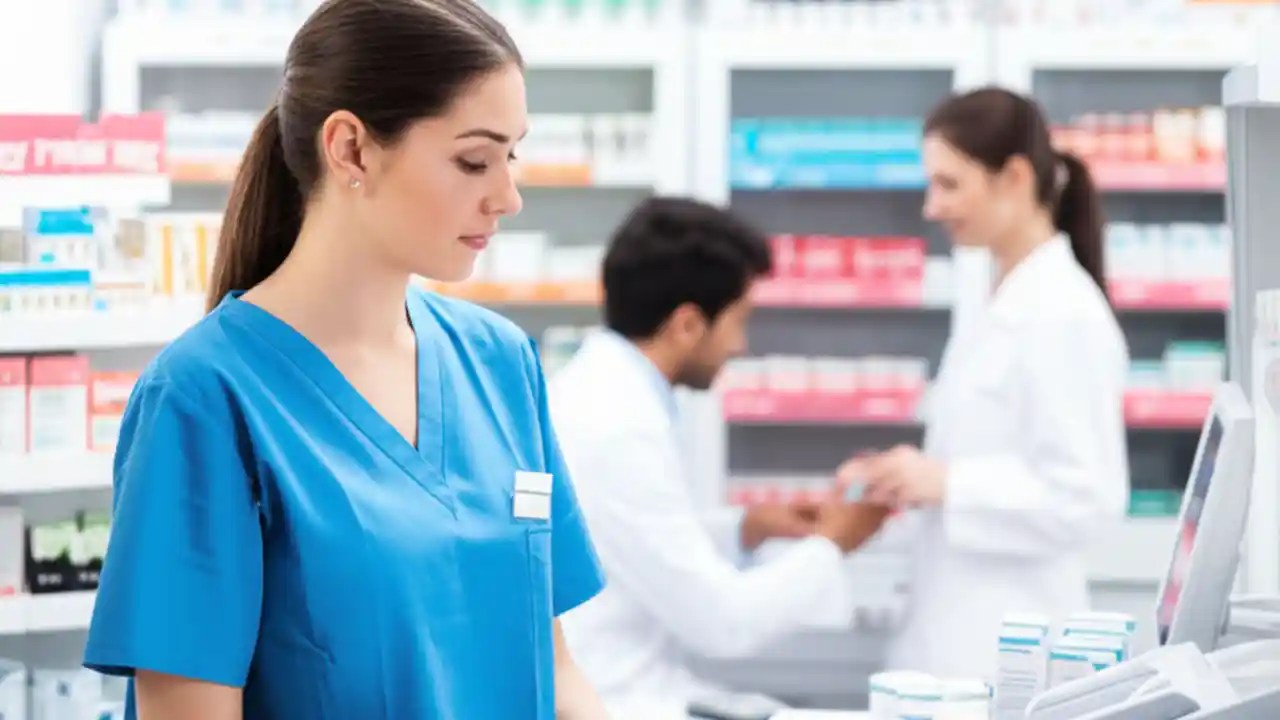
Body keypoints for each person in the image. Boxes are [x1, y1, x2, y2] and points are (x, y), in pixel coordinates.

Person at [81, 2, 610, 718]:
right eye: (473, 160)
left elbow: (554, 669)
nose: (508, 196)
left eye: (510, 156)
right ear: (352, 149)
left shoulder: (501, 364)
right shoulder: (205, 398)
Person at [549, 196, 892, 709]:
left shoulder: (607, 393)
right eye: (739, 320)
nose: (741, 346)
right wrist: (834, 543)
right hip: (613, 698)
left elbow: (626, 542)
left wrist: (746, 527)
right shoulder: (617, 425)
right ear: (687, 325)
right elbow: (722, 623)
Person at [840, 87, 1130, 680]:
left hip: (1010, 649)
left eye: (949, 185)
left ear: (1014, 178)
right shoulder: (1001, 296)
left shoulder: (1062, 311)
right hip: (957, 637)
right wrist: (906, 475)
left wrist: (945, 483)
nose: (931, 206)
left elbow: (1086, 499)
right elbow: (991, 455)